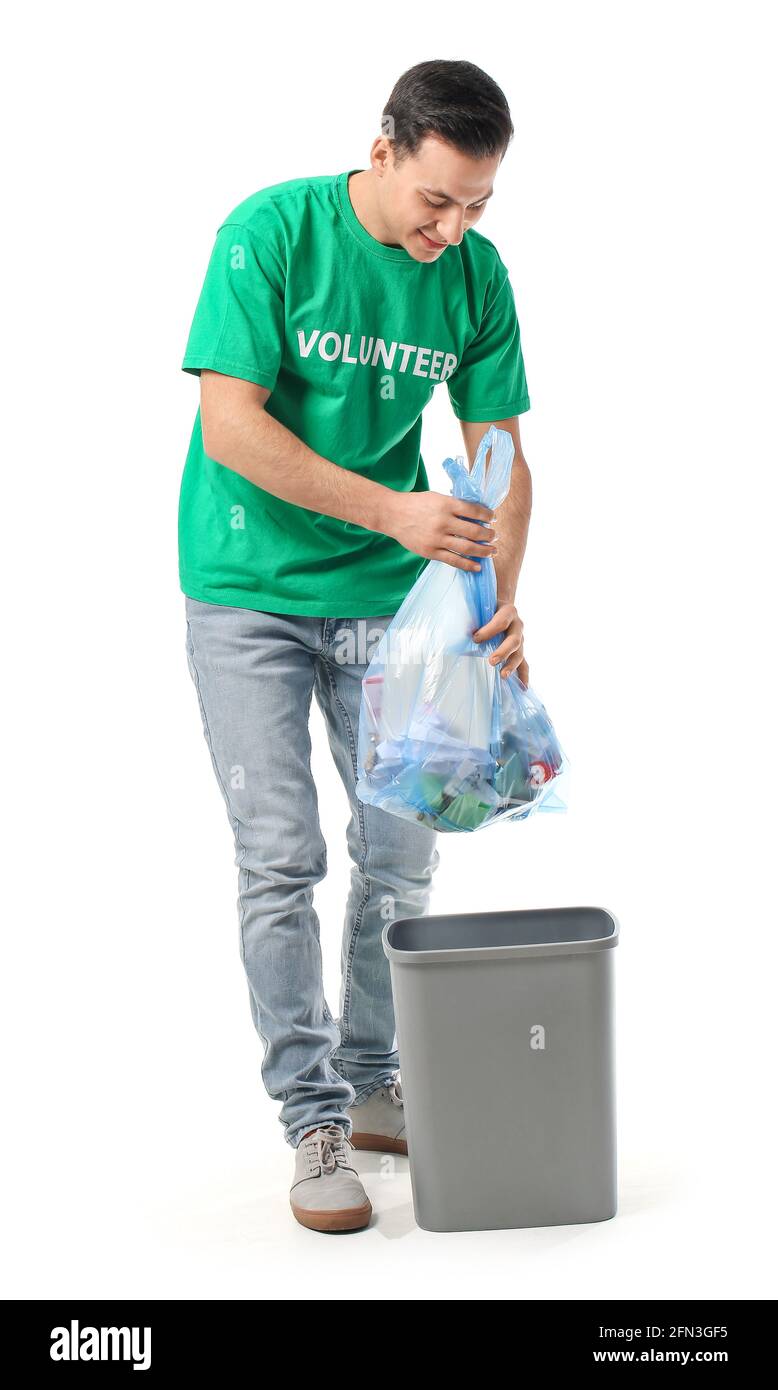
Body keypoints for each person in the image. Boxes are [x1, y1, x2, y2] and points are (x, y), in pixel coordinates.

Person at [179, 58, 533, 1233]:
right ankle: (312, 1115)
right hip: (250, 589)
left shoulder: (474, 275)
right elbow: (228, 426)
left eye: (477, 205)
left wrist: (493, 602)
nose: (452, 229)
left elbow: (500, 450)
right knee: (281, 858)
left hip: (393, 600)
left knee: (402, 853)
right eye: (437, 200)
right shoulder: (271, 231)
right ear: (383, 151)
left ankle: (377, 1078)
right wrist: (394, 513)